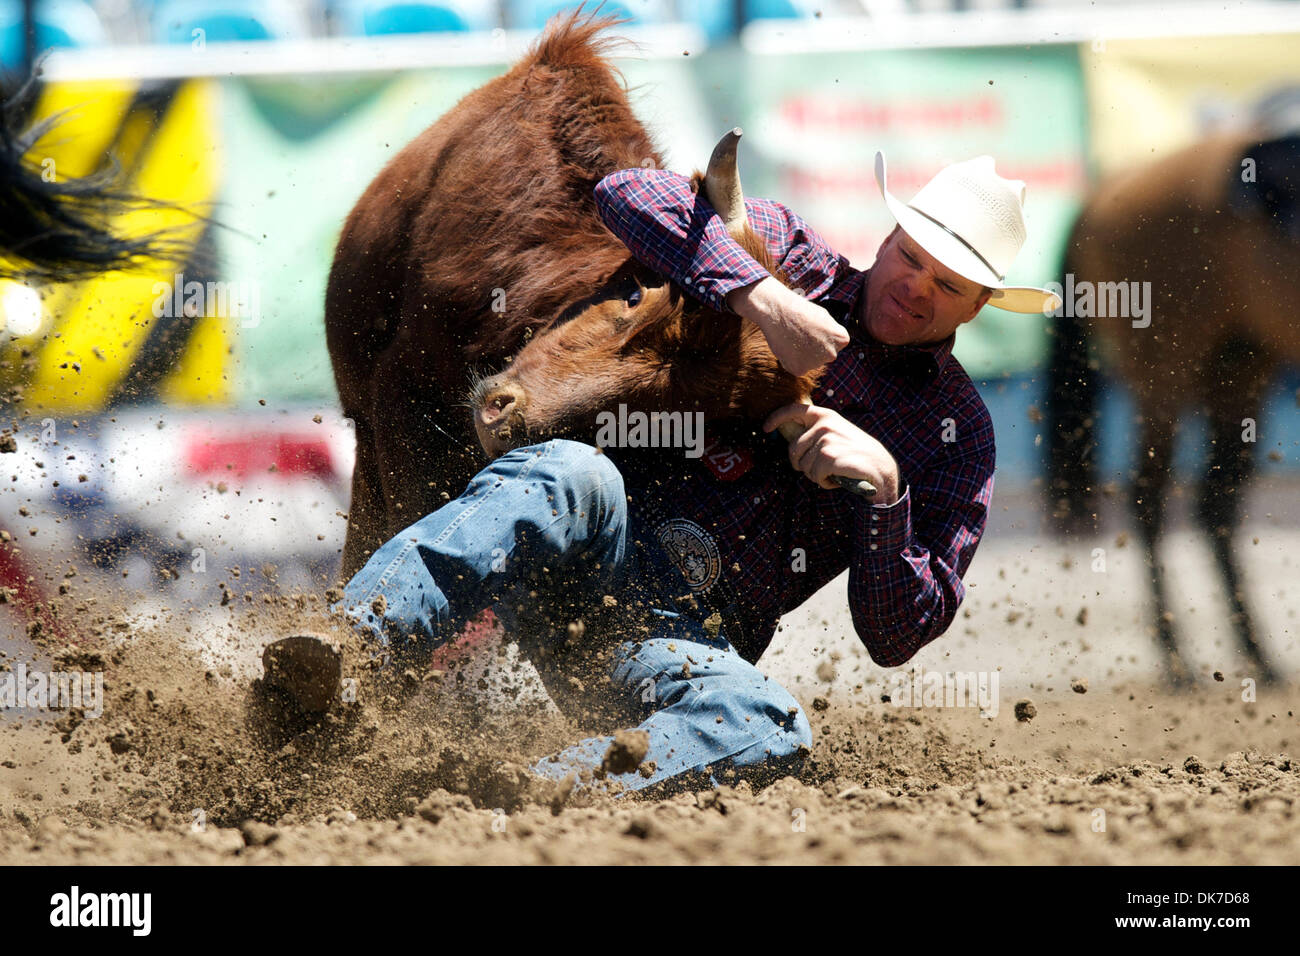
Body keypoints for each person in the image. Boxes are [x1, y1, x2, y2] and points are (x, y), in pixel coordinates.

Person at [261, 151, 1061, 793]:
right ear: (886, 239)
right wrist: (764, 301)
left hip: (682, 644)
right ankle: (352, 647)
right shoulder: (795, 262)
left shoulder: (956, 440)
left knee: (769, 719)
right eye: (910, 257)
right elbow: (626, 195)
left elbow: (899, 633)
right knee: (573, 472)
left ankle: (529, 792)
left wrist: (885, 495)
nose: (915, 286)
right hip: (590, 556)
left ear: (980, 303)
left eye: (947, 283)